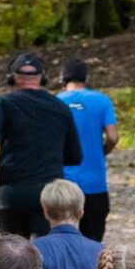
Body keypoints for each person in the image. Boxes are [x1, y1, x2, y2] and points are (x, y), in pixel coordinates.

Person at [0, 53, 82, 239]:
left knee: (13, 248)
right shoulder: (60, 107)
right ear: (42, 78)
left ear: (11, 77)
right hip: (49, 191)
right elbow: (75, 156)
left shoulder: (3, 103)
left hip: (12, 190)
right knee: (43, 248)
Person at [57, 61, 119, 242]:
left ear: (62, 79)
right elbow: (113, 137)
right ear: (86, 78)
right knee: (93, 241)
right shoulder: (102, 100)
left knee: (61, 241)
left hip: (62, 183)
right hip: (94, 183)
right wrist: (103, 152)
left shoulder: (56, 102)